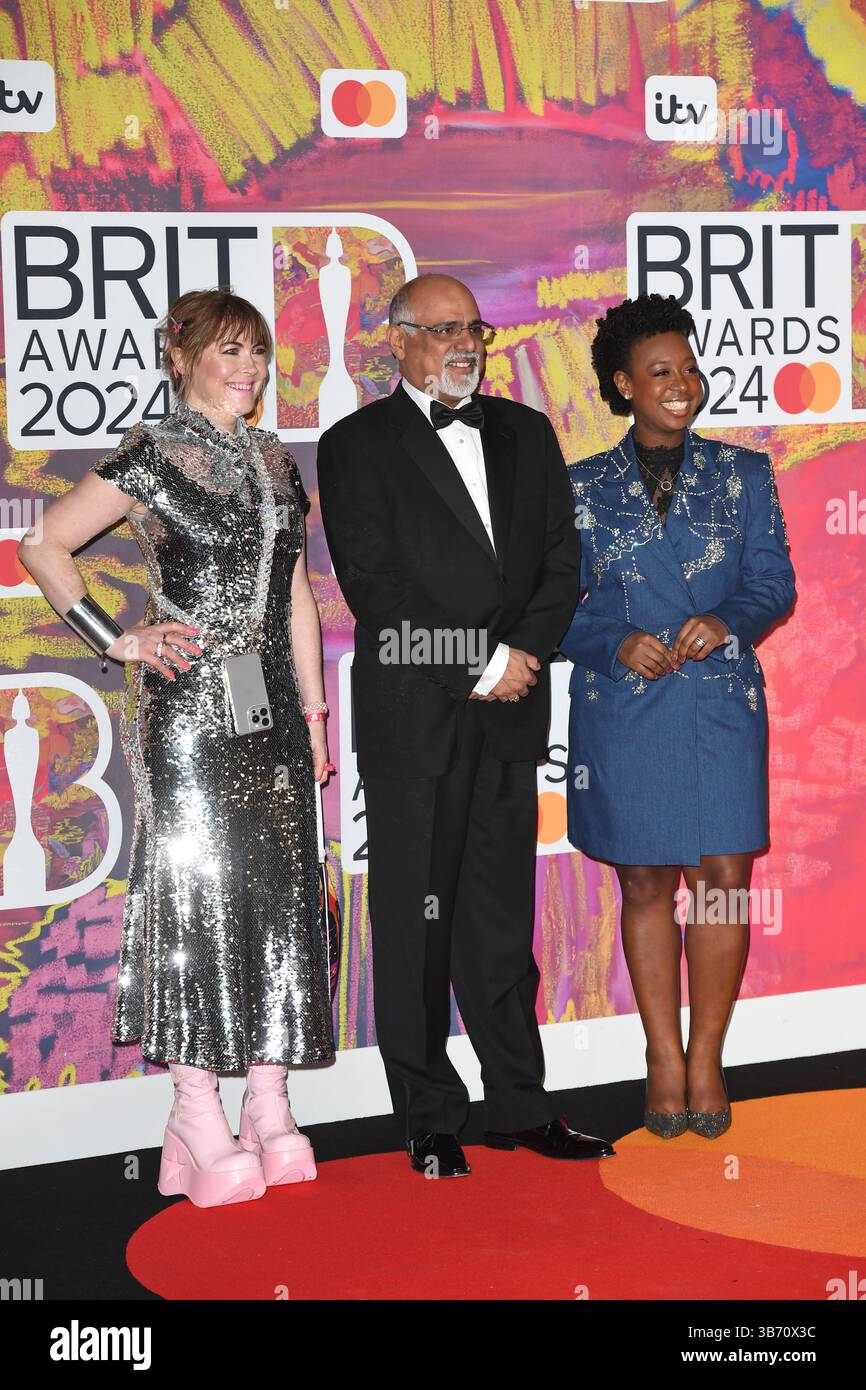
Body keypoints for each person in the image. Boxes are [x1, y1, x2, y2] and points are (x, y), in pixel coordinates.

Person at [18, 288, 335, 1207]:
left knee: (280, 895)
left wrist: (316, 716)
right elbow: (45, 544)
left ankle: (268, 1103)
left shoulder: (274, 459)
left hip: (274, 712)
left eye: (258, 352)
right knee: (195, 891)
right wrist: (117, 639)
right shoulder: (153, 452)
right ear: (181, 356)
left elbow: (295, 595)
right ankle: (196, 1109)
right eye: (228, 351)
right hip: (190, 709)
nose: (248, 369)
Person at [317, 273, 614, 1177]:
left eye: (473, 329)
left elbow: (561, 560)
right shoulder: (353, 445)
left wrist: (523, 653)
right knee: (416, 923)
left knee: (499, 921)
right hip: (417, 717)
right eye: (443, 329)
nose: (463, 345)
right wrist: (480, 663)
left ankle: (520, 1104)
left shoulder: (526, 431)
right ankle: (430, 1118)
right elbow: (375, 588)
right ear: (396, 339)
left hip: (513, 714)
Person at [560, 292, 796, 1139]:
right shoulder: (580, 487)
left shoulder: (744, 474)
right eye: (660, 372)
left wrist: (727, 620)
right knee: (647, 884)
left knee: (724, 885)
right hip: (626, 712)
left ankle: (708, 1057)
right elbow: (548, 606)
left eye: (689, 369)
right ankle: (662, 1056)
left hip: (721, 703)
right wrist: (612, 640)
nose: (681, 385)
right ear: (623, 385)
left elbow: (774, 582)